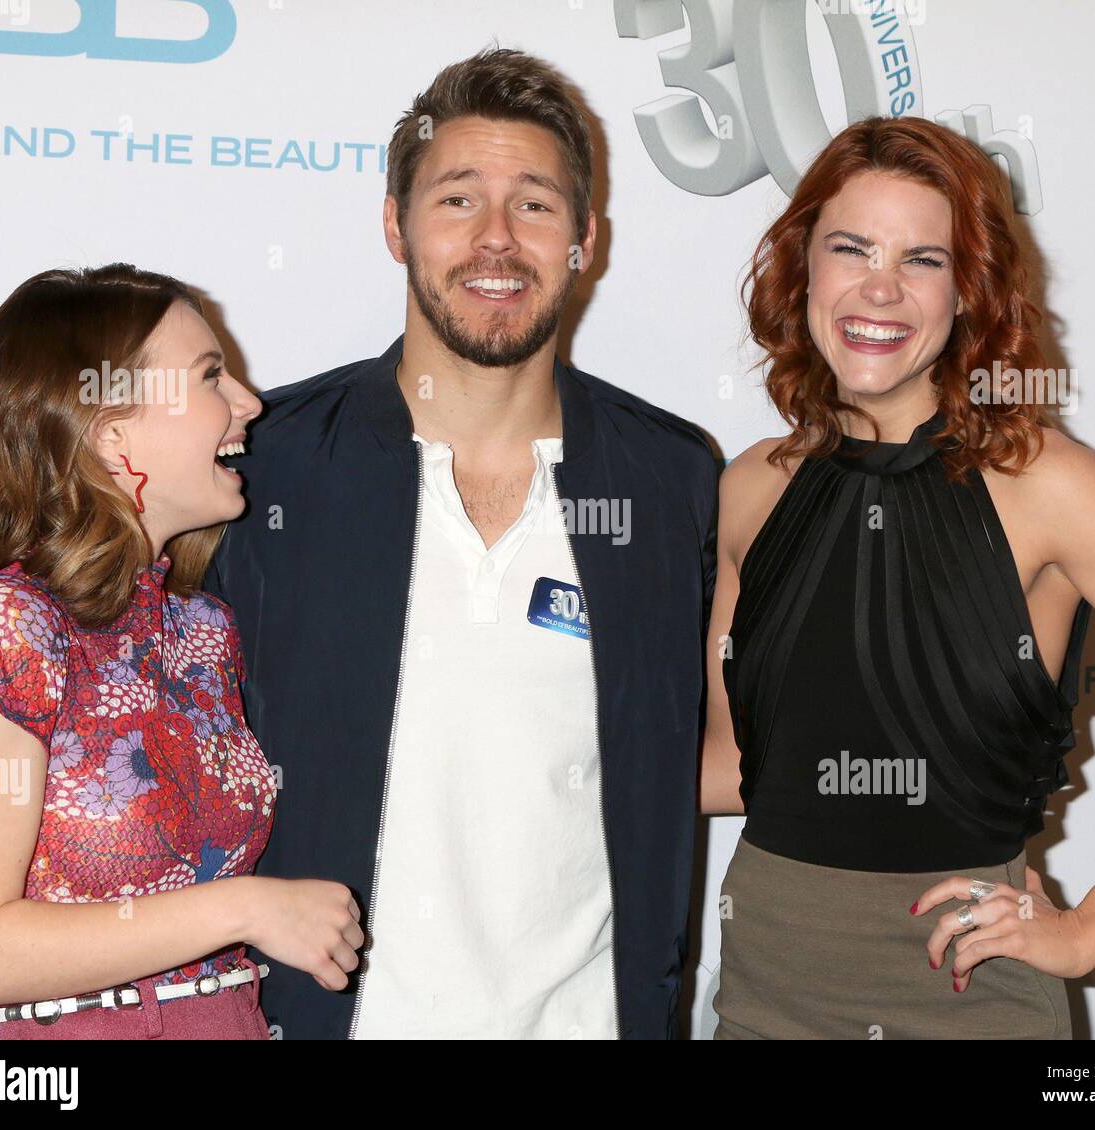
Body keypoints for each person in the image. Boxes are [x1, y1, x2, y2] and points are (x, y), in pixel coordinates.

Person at [204, 46, 719, 1039]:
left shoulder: (668, 480)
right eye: (455, 201)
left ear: (585, 239)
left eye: (534, 204)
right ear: (394, 225)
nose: (496, 241)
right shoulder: (266, 466)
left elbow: (715, 748)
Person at [700, 115, 1095, 1039]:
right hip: (762, 992)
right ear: (804, 268)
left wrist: (1087, 932)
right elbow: (733, 771)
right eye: (851, 248)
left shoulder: (1053, 487)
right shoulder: (747, 489)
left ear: (968, 291)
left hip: (965, 1000)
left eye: (923, 260)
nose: (879, 288)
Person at [0, 264, 363, 1038]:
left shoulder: (202, 630)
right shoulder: (7, 627)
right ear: (110, 428)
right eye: (210, 377)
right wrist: (247, 907)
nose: (250, 405)